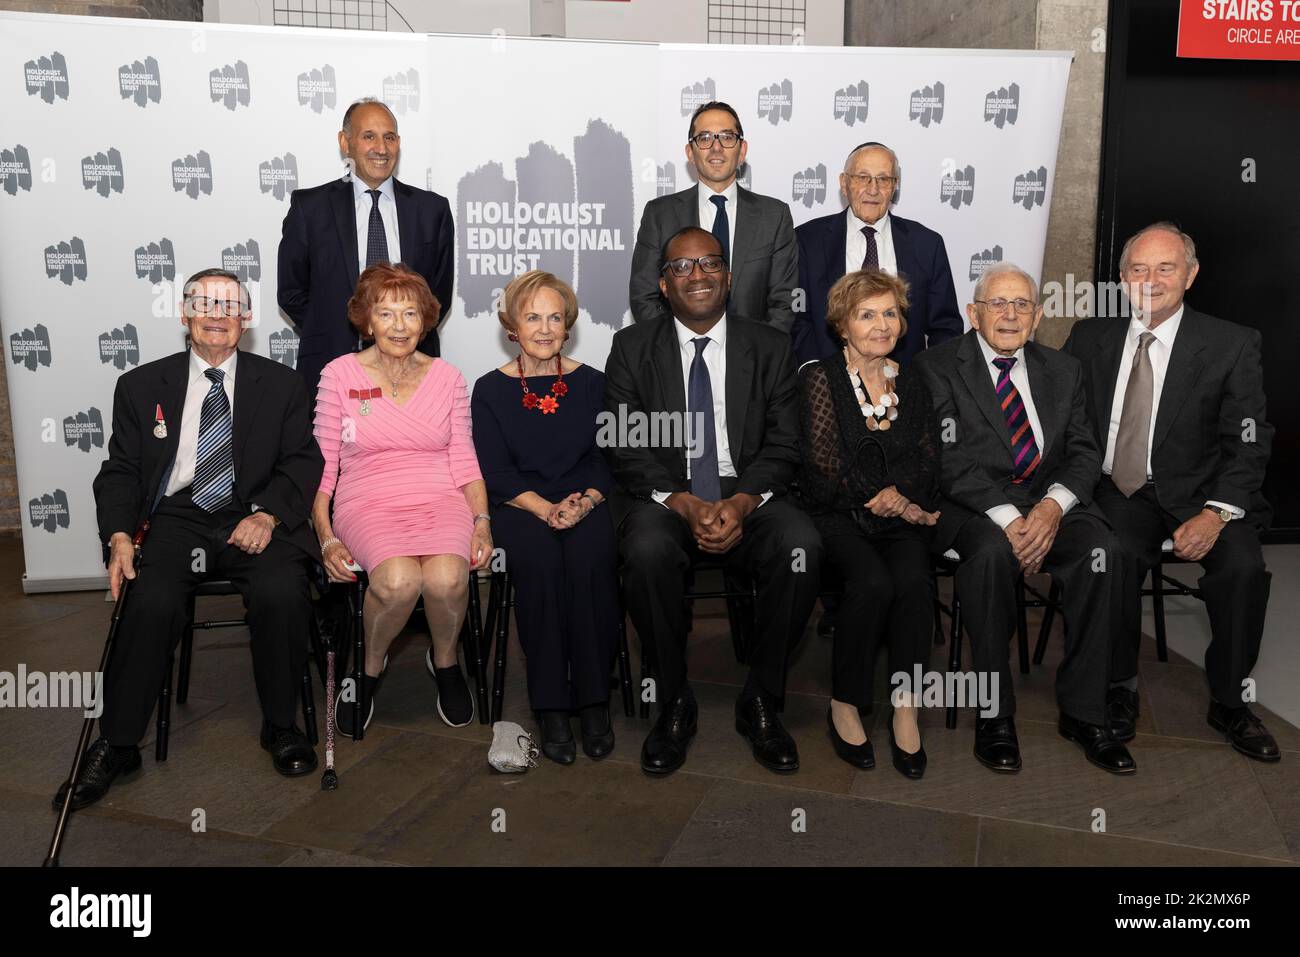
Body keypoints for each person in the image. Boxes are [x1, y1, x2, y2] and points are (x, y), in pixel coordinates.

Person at [56, 269, 325, 811]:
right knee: (149, 600)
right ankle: (118, 741)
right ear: (184, 313)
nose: (217, 314)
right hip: (177, 518)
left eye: (230, 305)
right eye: (205, 303)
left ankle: (281, 724)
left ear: (247, 318)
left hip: (250, 515)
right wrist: (120, 535)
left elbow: (302, 460)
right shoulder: (140, 385)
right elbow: (122, 472)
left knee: (280, 591)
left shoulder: (282, 384)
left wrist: (269, 514)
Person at [605, 226, 822, 776]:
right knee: (646, 551)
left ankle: (761, 698)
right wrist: (680, 501)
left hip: (749, 488)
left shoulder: (770, 345)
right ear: (662, 283)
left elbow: (786, 442)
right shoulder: (632, 348)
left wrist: (746, 500)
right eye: (682, 267)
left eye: (709, 264)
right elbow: (624, 443)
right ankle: (674, 698)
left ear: (727, 276)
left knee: (801, 546)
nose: (697, 276)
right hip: (669, 494)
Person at [1062, 222, 1278, 762]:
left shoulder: (1230, 343)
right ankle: (1118, 688)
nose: (1151, 280)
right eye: (1139, 268)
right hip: (1120, 491)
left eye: (1166, 268)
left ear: (1191, 274)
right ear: (1121, 276)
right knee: (1108, 559)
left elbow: (1249, 442)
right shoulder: (1090, 337)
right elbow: (1065, 423)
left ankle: (1230, 701)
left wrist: (1216, 515)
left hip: (1206, 495)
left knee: (1242, 571)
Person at [914, 263, 1136, 775]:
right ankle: (994, 713)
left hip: (1048, 499)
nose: (1009, 315)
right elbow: (947, 459)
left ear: (1037, 316)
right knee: (990, 556)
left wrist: (1053, 507)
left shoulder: (1064, 369)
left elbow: (1084, 451)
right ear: (974, 313)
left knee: (1105, 553)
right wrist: (1014, 519)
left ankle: (1084, 712)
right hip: (973, 504)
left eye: (1021, 306)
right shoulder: (937, 367)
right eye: (997, 303)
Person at [311, 263, 490, 734]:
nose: (399, 325)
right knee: (397, 582)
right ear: (366, 321)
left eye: (410, 314)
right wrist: (326, 538)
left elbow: (465, 459)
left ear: (425, 322)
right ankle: (368, 670)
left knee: (449, 579)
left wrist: (482, 520)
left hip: (440, 497)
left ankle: (445, 663)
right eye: (386, 313)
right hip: (367, 501)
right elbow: (323, 467)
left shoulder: (448, 377)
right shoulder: (338, 374)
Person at [794, 269, 940, 778]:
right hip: (836, 513)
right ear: (842, 325)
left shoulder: (913, 377)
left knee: (915, 583)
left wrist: (901, 498)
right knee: (872, 583)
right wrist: (884, 495)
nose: (882, 325)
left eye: (890, 313)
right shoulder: (819, 376)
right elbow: (823, 466)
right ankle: (846, 701)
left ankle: (906, 705)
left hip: (898, 515)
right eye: (867, 314)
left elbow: (926, 460)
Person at [470, 271, 619, 764]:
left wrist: (585, 503)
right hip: (521, 506)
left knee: (589, 559)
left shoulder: (595, 382)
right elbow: (494, 470)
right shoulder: (489, 390)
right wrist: (544, 508)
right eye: (532, 316)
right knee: (540, 565)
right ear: (512, 325)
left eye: (555, 317)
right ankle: (551, 704)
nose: (544, 327)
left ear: (568, 325)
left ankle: (594, 700)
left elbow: (606, 458)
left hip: (584, 501)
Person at [278, 97, 454, 396]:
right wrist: (342, 329)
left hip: (413, 369)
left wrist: (398, 336)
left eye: (389, 137)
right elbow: (292, 292)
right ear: (345, 142)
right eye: (368, 136)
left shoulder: (431, 210)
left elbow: (437, 298)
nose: (381, 148)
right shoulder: (310, 208)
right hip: (331, 366)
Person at [628, 100, 798, 332]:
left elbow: (783, 302)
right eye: (705, 138)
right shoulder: (660, 214)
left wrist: (758, 356)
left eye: (727, 137)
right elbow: (643, 296)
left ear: (742, 150)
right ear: (690, 151)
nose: (716, 148)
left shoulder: (774, 216)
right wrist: (680, 349)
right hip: (678, 359)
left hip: (754, 359)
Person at [791, 142, 962, 366]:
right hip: (826, 382)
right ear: (844, 183)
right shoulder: (806, 240)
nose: (873, 189)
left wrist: (927, 381)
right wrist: (818, 376)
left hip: (906, 385)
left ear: (894, 186)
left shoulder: (927, 244)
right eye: (862, 177)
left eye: (883, 179)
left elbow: (945, 327)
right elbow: (797, 317)